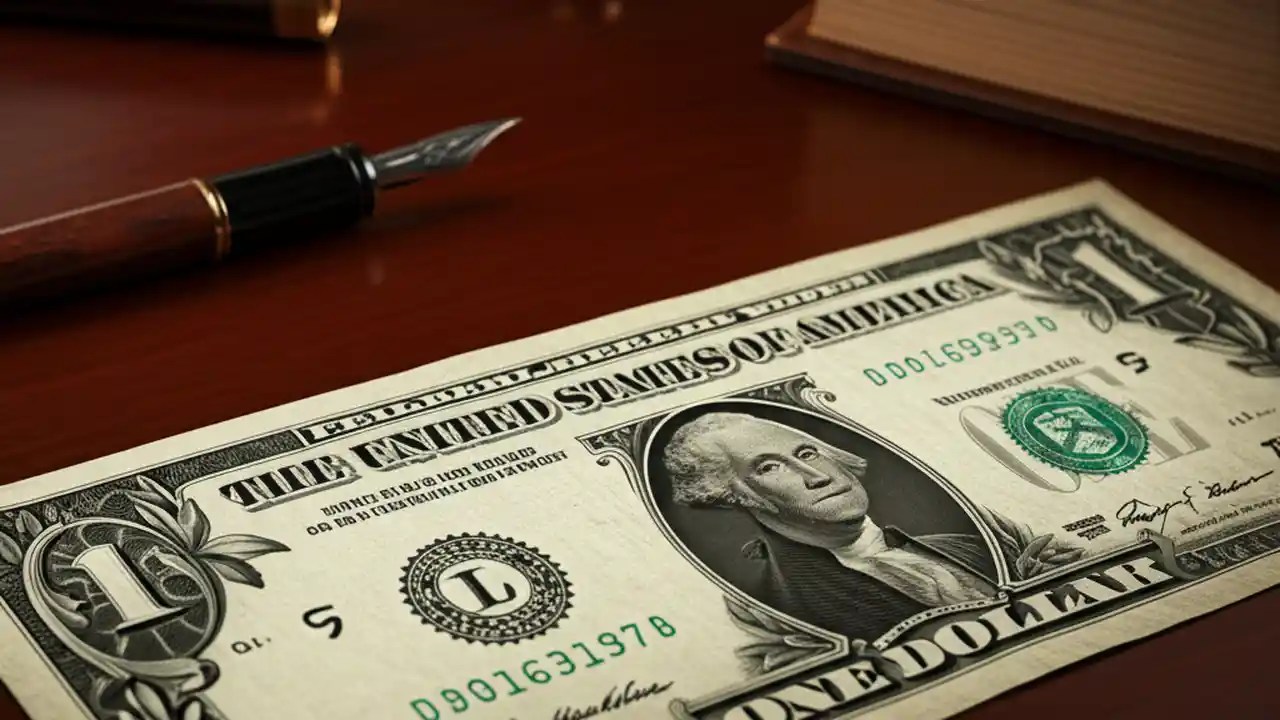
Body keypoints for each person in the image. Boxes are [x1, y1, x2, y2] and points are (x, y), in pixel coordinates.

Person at [663, 411, 996, 640]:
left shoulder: (970, 545)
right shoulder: (787, 611)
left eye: (807, 454)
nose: (819, 476)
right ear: (730, 497)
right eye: (769, 468)